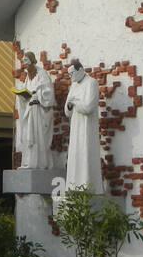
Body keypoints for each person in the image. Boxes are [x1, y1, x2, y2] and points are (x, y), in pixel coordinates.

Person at [63, 59, 104, 194]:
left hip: (87, 126)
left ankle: (88, 185)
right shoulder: (73, 86)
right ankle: (74, 185)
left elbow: (89, 107)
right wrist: (70, 105)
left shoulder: (91, 83)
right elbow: (67, 110)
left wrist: (75, 103)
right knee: (75, 153)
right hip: (76, 125)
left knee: (86, 152)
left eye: (72, 73)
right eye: (69, 75)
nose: (71, 77)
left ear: (80, 70)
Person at [14, 52, 54, 168]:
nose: (24, 64)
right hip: (28, 110)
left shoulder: (42, 74)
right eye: (23, 62)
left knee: (37, 137)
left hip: (38, 112)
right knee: (27, 136)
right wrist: (22, 96)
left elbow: (48, 93)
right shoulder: (27, 76)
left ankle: (39, 162)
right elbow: (28, 92)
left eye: (26, 61)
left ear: (32, 61)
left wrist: (38, 96)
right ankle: (28, 162)